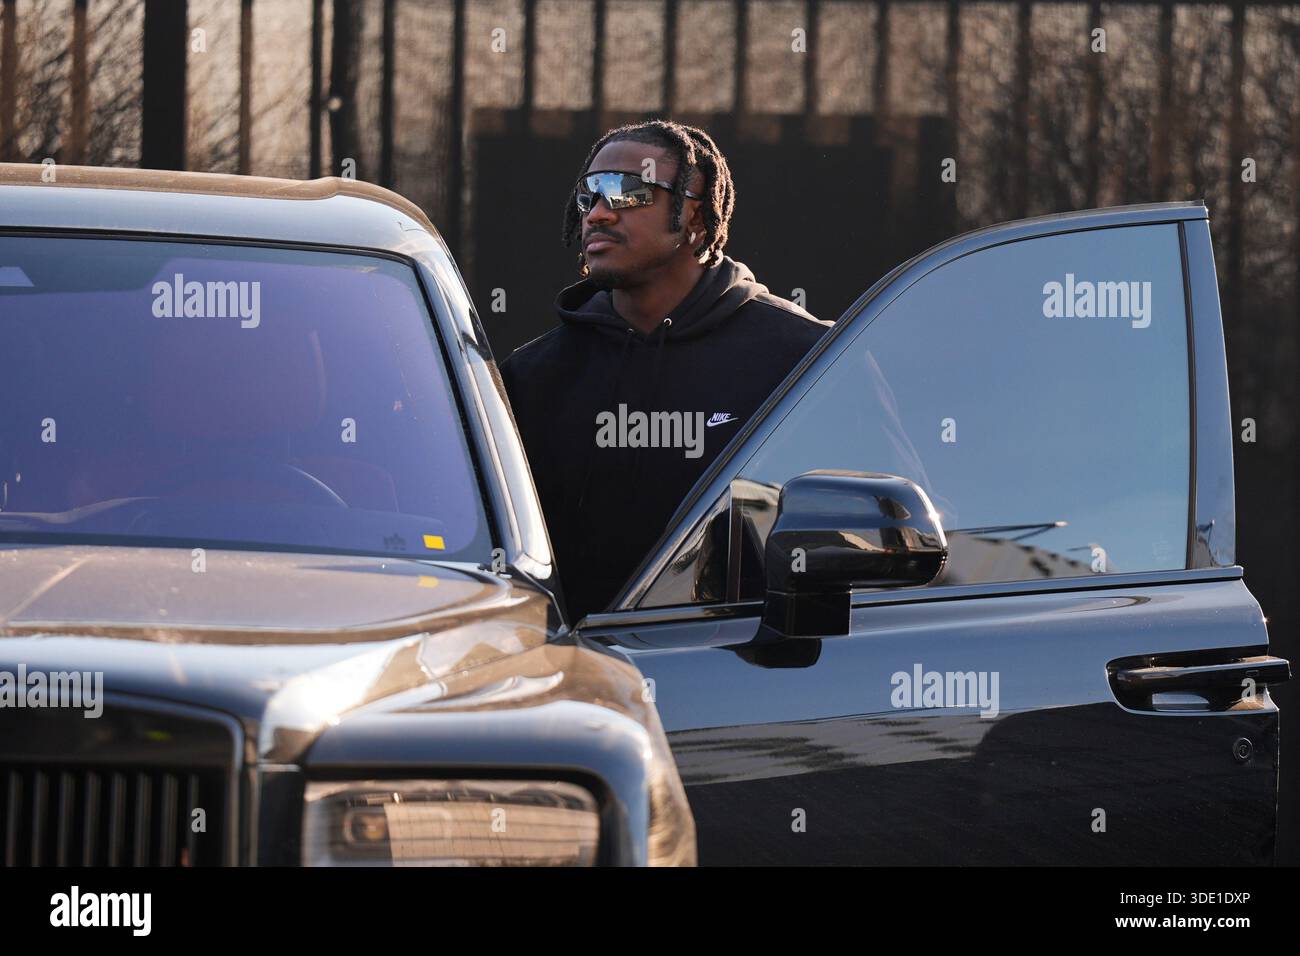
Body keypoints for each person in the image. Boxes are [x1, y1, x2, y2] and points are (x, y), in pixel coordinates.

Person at [500, 119, 830, 621]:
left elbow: (883, 527)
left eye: (626, 191)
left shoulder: (804, 360)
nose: (599, 213)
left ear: (695, 215)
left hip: (752, 673)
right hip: (573, 677)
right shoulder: (533, 377)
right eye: (589, 194)